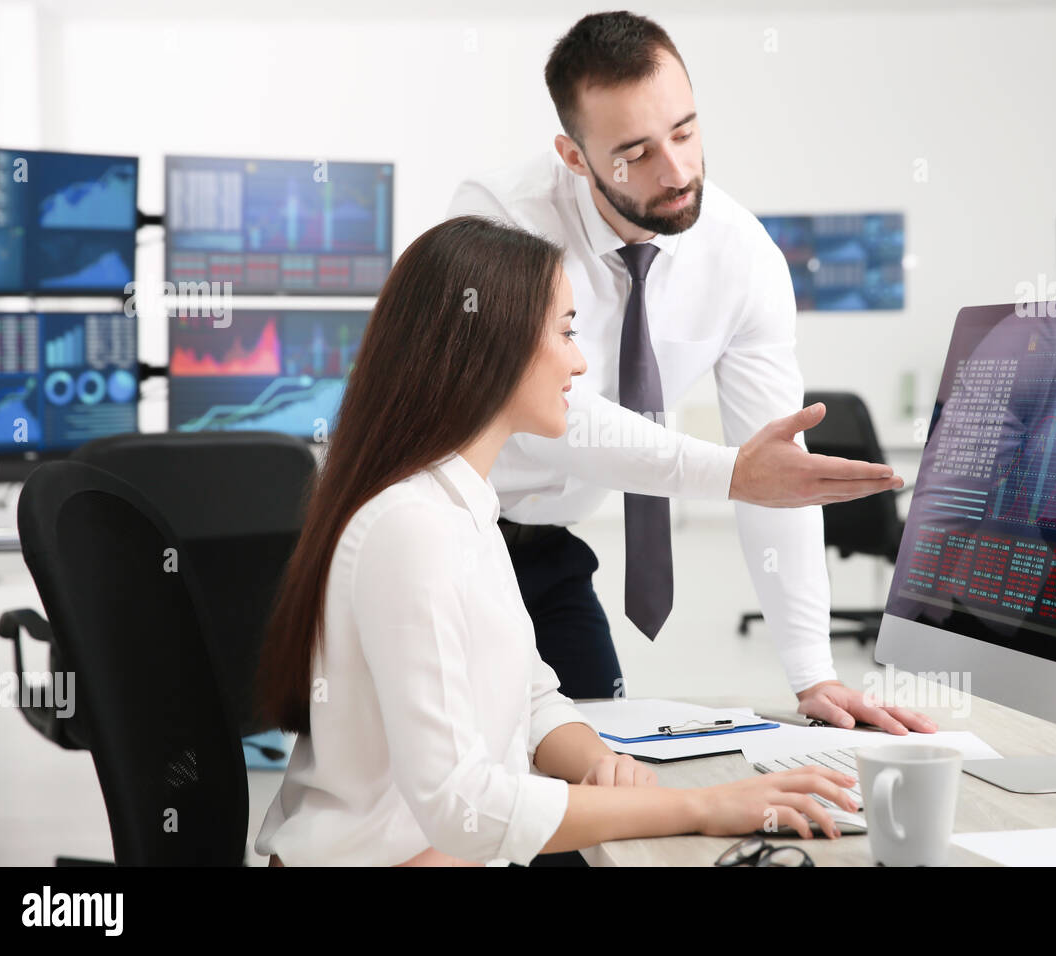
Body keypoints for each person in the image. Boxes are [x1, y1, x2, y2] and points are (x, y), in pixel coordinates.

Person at [252, 216, 860, 866]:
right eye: (567, 332)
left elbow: (531, 697)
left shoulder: (463, 508)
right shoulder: (410, 527)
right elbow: (465, 808)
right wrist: (704, 805)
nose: (580, 360)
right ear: (492, 344)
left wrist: (602, 761)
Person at [446, 11, 936, 733]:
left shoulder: (741, 257)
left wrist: (813, 672)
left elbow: (777, 467)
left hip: (545, 545)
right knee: (430, 794)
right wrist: (729, 472)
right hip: (444, 535)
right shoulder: (500, 222)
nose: (676, 172)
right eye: (635, 152)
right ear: (574, 156)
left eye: (684, 131)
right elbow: (550, 414)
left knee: (594, 769)